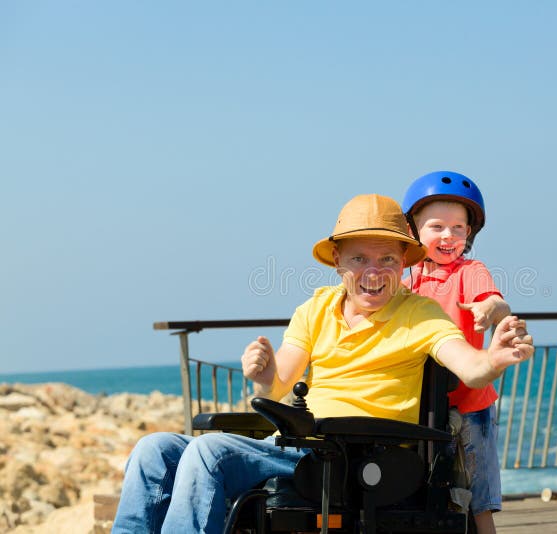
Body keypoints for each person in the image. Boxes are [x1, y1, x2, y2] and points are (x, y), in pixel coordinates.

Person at [112, 193, 533, 534]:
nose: (374, 271)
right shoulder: (314, 309)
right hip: (299, 448)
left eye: (387, 259)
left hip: (353, 456)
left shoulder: (421, 314)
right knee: (155, 450)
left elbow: (470, 367)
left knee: (209, 452)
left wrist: (493, 360)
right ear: (338, 262)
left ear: (403, 263)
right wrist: (264, 376)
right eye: (359, 259)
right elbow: (277, 387)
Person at [402, 170, 510, 534]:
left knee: (478, 497)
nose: (448, 236)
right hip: (419, 402)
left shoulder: (470, 271)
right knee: (420, 488)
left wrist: (489, 311)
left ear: (469, 234)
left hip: (470, 401)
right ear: (414, 230)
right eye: (436, 227)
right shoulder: (406, 278)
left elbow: (495, 301)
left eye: (458, 228)